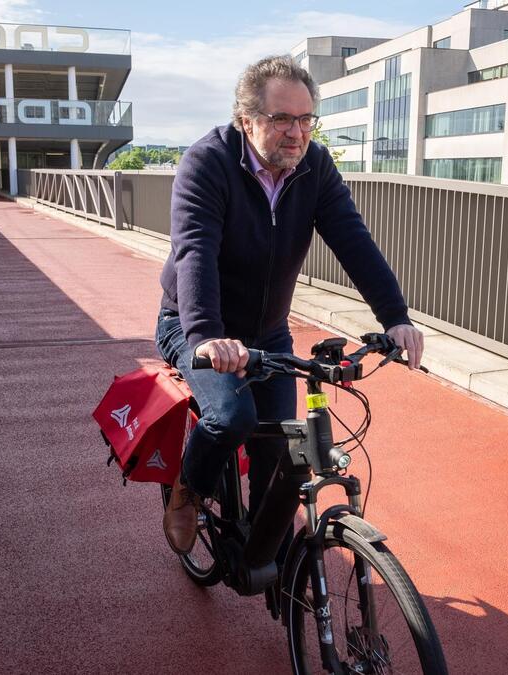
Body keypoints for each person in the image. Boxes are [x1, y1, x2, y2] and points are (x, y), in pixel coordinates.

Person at [155, 55, 423, 555]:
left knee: (280, 450)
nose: (296, 133)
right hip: (195, 324)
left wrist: (395, 317)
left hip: (268, 330)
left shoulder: (315, 166)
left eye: (305, 119)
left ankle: (269, 560)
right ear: (247, 120)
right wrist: (207, 335)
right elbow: (195, 251)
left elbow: (353, 240)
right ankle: (187, 490)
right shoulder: (207, 162)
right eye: (281, 118)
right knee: (232, 418)